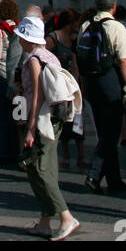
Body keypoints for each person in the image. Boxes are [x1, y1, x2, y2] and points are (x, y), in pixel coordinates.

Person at [15, 14, 80, 241]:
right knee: (35, 168)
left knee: (42, 169)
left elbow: (37, 96)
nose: (19, 41)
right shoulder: (49, 55)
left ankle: (66, 217)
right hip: (53, 117)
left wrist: (31, 127)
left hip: (43, 119)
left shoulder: (34, 59)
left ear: (27, 38)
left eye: (21, 36)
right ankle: (45, 221)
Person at [78, 0, 126, 194]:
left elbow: (81, 58)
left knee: (105, 130)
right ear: (114, 6)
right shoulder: (116, 27)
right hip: (110, 81)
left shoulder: (86, 25)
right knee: (111, 133)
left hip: (91, 82)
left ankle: (114, 179)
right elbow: (125, 61)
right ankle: (94, 174)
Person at [46, 9, 85, 172]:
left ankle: (81, 156)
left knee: (77, 121)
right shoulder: (53, 38)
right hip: (58, 86)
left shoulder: (74, 39)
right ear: (69, 23)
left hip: (73, 85)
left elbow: (77, 63)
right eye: (75, 23)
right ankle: (66, 156)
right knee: (62, 120)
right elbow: (45, 59)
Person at [0, 0, 20, 166]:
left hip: (1, 75)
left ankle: (3, 152)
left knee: (1, 116)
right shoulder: (18, 27)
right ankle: (17, 149)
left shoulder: (0, 30)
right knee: (16, 116)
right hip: (16, 78)